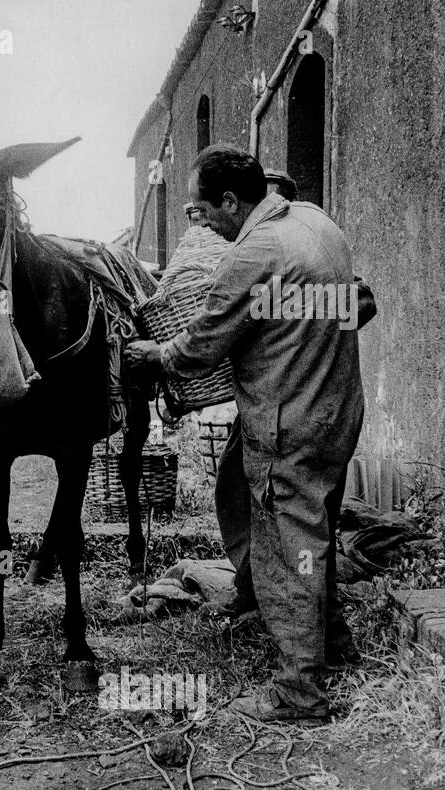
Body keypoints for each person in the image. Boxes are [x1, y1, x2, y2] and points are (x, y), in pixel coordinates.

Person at [125, 144, 366, 723]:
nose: (201, 222)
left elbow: (202, 345)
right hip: (338, 413)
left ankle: (299, 693)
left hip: (289, 424)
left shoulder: (254, 252)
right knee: (311, 528)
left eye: (203, 211)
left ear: (233, 201)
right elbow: (363, 301)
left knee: (292, 550)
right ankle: (332, 642)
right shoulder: (317, 223)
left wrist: (154, 355)